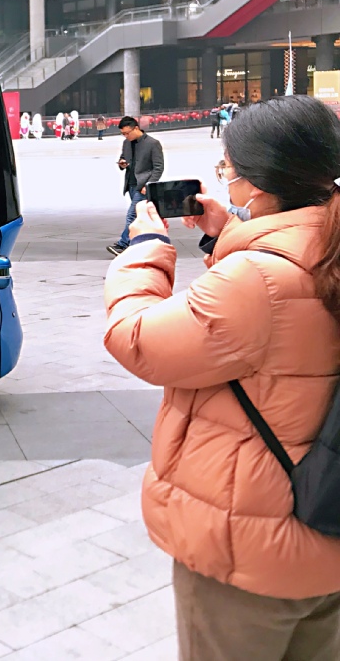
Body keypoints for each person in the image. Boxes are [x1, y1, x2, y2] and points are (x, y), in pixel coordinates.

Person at [103, 94, 340, 660]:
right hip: (327, 530)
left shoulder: (256, 279)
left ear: (256, 186)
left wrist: (146, 252)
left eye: (226, 170)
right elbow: (271, 320)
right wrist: (223, 236)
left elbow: (134, 338)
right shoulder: (323, 243)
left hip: (255, 549)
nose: (224, 181)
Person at [107, 116, 164, 256]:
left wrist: (149, 184)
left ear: (136, 128)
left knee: (131, 214)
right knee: (140, 216)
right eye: (123, 134)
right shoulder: (127, 143)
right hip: (131, 183)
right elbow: (123, 158)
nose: (126, 136)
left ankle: (123, 244)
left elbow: (158, 167)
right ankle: (144, 243)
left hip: (143, 185)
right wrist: (122, 163)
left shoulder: (153, 143)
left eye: (127, 133)